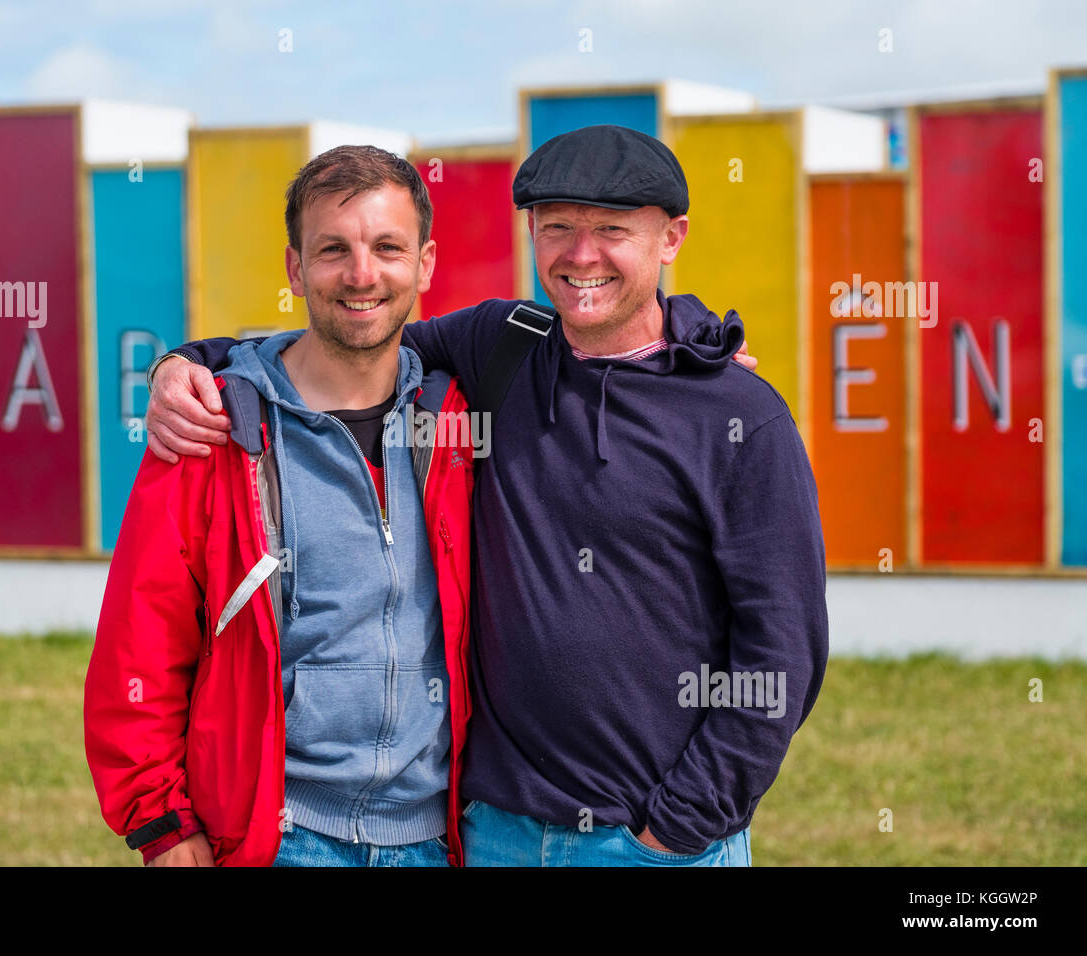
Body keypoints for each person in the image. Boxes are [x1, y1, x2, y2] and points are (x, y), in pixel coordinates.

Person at [148, 125, 827, 867]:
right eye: (558, 228)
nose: (581, 255)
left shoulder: (738, 415)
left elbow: (782, 653)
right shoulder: (503, 344)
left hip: (654, 843)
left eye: (611, 231)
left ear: (672, 239)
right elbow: (351, 335)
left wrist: (680, 827)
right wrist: (189, 362)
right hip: (491, 834)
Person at [83, 145, 478, 866]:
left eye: (387, 247)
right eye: (334, 249)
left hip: (437, 839)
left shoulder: (461, 422)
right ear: (295, 268)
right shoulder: (215, 427)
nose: (362, 274)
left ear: (423, 263)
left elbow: (608, 342)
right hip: (281, 837)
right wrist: (159, 823)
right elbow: (140, 637)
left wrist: (700, 353)